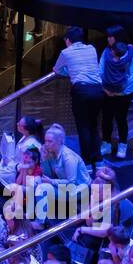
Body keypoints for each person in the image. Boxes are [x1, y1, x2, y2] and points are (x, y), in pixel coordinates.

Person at [54, 27, 104, 167]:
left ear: (68, 40)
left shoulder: (65, 52)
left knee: (83, 127)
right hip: (98, 90)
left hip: (81, 91)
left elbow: (57, 69)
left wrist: (70, 73)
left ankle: (87, 163)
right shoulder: (91, 49)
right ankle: (99, 161)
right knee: (94, 125)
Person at [99, 25, 133, 160]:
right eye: (108, 36)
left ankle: (122, 144)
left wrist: (120, 93)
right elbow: (100, 71)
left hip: (123, 94)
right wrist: (105, 89)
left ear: (118, 37)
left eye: (111, 36)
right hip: (107, 92)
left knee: (121, 119)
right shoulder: (106, 52)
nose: (108, 39)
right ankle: (106, 144)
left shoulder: (132, 53)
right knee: (106, 119)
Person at [38, 123, 91, 192]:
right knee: (36, 182)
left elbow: (71, 183)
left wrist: (51, 181)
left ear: (59, 141)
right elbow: (48, 175)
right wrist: (44, 159)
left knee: (42, 189)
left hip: (80, 189)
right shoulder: (51, 153)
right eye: (45, 141)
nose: (46, 144)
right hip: (65, 188)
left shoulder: (68, 157)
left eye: (50, 141)